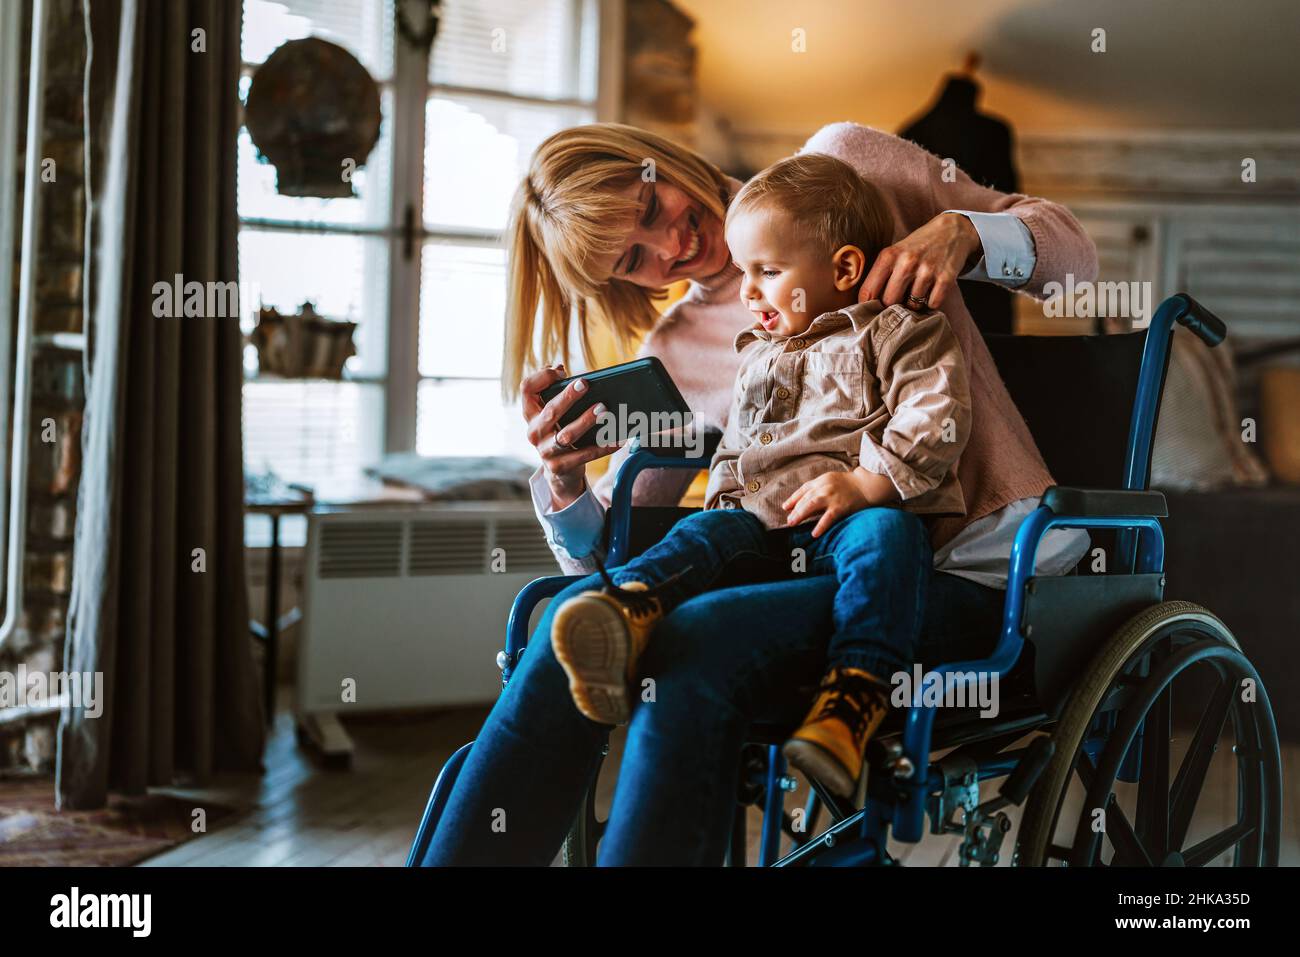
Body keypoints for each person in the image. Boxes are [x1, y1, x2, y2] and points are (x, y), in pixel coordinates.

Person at [421, 121, 1098, 865]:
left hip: (974, 566)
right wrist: (564, 476)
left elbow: (1077, 264)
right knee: (568, 619)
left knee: (698, 643)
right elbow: (614, 557)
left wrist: (961, 232)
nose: (671, 248)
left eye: (651, 207)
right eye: (634, 261)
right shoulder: (677, 352)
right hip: (806, 570)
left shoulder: (846, 167)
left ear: (658, 161)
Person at [550, 152, 988, 800]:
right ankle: (628, 607)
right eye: (745, 271)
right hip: (760, 526)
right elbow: (734, 453)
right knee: (704, 533)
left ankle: (852, 699)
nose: (747, 292)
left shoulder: (897, 329)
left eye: (767, 272)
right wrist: (574, 477)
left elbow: (937, 413)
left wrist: (869, 483)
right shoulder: (754, 355)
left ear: (843, 269)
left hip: (850, 516)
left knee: (889, 537)